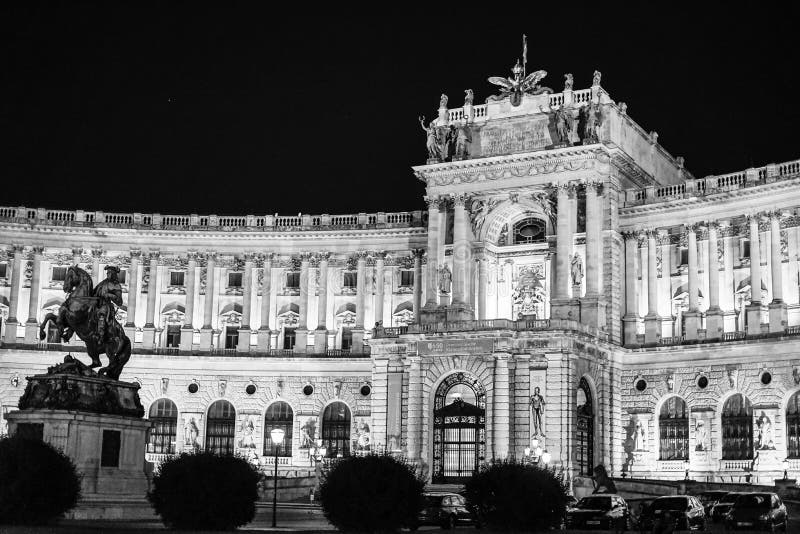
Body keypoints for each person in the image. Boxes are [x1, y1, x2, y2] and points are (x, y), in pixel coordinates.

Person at [93, 265, 123, 344]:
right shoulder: (102, 283)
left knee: (102, 315)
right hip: (96, 304)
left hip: (106, 305)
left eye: (109, 273)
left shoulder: (116, 286)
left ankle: (101, 336)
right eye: (107, 273)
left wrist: (110, 295)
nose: (107, 274)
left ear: (114, 274)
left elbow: (120, 302)